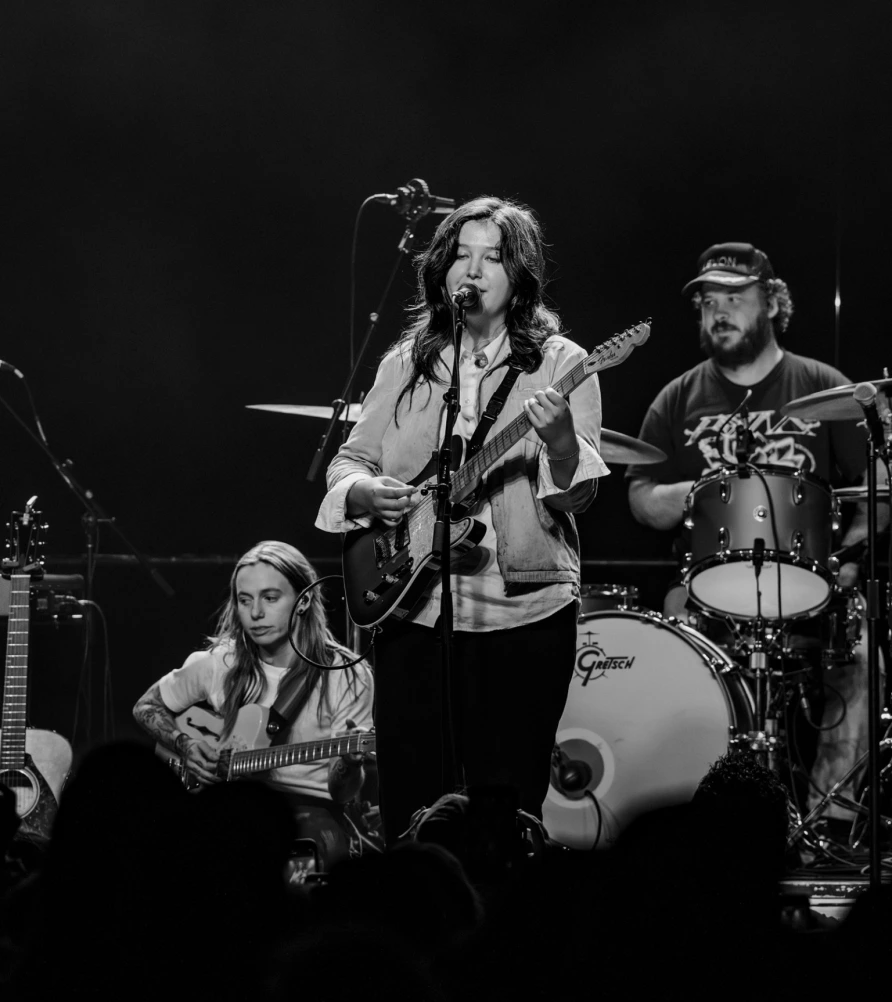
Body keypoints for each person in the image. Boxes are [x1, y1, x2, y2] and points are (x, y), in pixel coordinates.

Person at [316, 196, 607, 843]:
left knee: (507, 808)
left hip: (523, 616)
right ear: (441, 271)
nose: (471, 272)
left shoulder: (561, 363)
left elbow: (576, 496)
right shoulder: (407, 363)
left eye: (493, 257)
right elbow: (348, 463)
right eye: (460, 256)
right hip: (414, 612)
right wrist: (365, 492)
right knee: (411, 799)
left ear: (520, 275)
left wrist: (560, 443)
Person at [627, 242, 888, 832]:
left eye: (733, 298)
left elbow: (878, 481)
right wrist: (691, 489)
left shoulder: (822, 385)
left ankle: (828, 819)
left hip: (810, 582)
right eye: (708, 301)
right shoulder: (678, 397)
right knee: (663, 640)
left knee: (863, 649)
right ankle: (690, 823)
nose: (718, 312)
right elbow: (640, 496)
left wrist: (847, 556)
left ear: (771, 302)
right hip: (701, 588)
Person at [132, 540, 375, 867]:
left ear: (303, 602)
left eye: (270, 598)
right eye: (245, 601)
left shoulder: (347, 675)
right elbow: (146, 707)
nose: (256, 613)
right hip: (228, 813)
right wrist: (186, 745)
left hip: (312, 820)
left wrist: (350, 762)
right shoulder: (219, 663)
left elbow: (342, 793)